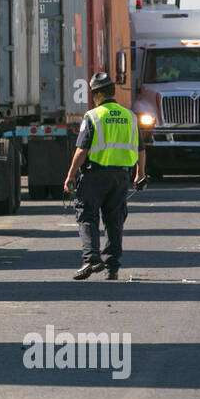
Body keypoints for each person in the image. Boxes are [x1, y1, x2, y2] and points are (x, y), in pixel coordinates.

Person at [63, 71, 145, 280]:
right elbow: (141, 149)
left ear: (96, 94)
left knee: (87, 215)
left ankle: (92, 259)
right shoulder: (130, 116)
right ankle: (113, 266)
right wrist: (140, 175)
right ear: (112, 91)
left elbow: (82, 150)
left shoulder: (93, 116)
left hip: (94, 176)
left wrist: (71, 175)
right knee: (114, 220)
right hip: (120, 178)